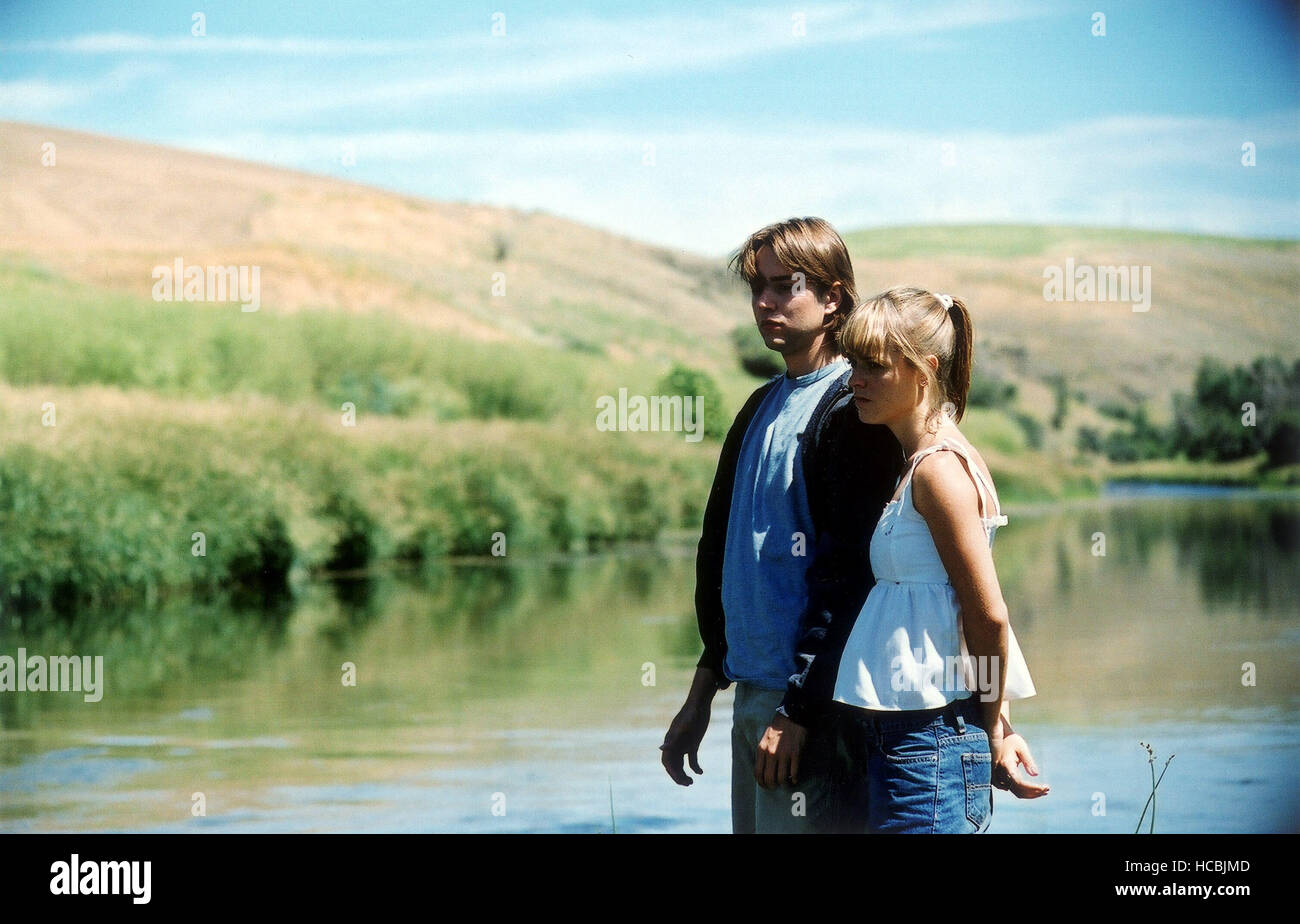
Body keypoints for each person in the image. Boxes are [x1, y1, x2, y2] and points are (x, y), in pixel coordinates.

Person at [659, 216, 900, 833]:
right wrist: (700, 695)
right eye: (757, 287)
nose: (765, 302)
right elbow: (721, 556)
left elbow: (853, 576)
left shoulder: (852, 410)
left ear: (832, 299)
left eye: (785, 286)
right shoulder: (758, 407)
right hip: (753, 697)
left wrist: (799, 711)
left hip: (813, 709)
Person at [827, 286, 1048, 833]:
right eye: (854, 363)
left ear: (924, 369)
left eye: (873, 367)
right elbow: (953, 615)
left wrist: (996, 728)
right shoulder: (921, 462)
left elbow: (988, 615)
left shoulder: (939, 471)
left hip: (930, 743)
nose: (855, 379)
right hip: (919, 738)